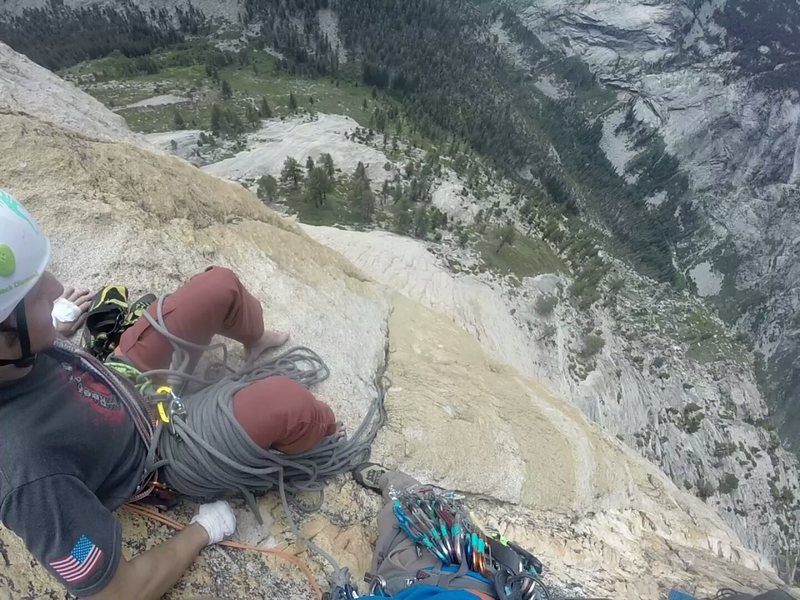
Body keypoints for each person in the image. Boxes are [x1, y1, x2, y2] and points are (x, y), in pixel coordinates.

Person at [0, 190, 338, 599]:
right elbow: (116, 593)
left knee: (219, 287)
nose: (55, 287)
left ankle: (258, 340)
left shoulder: (15, 355)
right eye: (34, 294)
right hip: (156, 457)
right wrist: (201, 531)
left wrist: (50, 328)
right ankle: (328, 435)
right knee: (290, 405)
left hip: (118, 379)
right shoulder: (26, 472)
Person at [352, 463, 498, 600]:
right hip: (482, 572)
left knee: (401, 519)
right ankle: (402, 488)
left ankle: (398, 487)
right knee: (425, 510)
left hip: (421, 575)